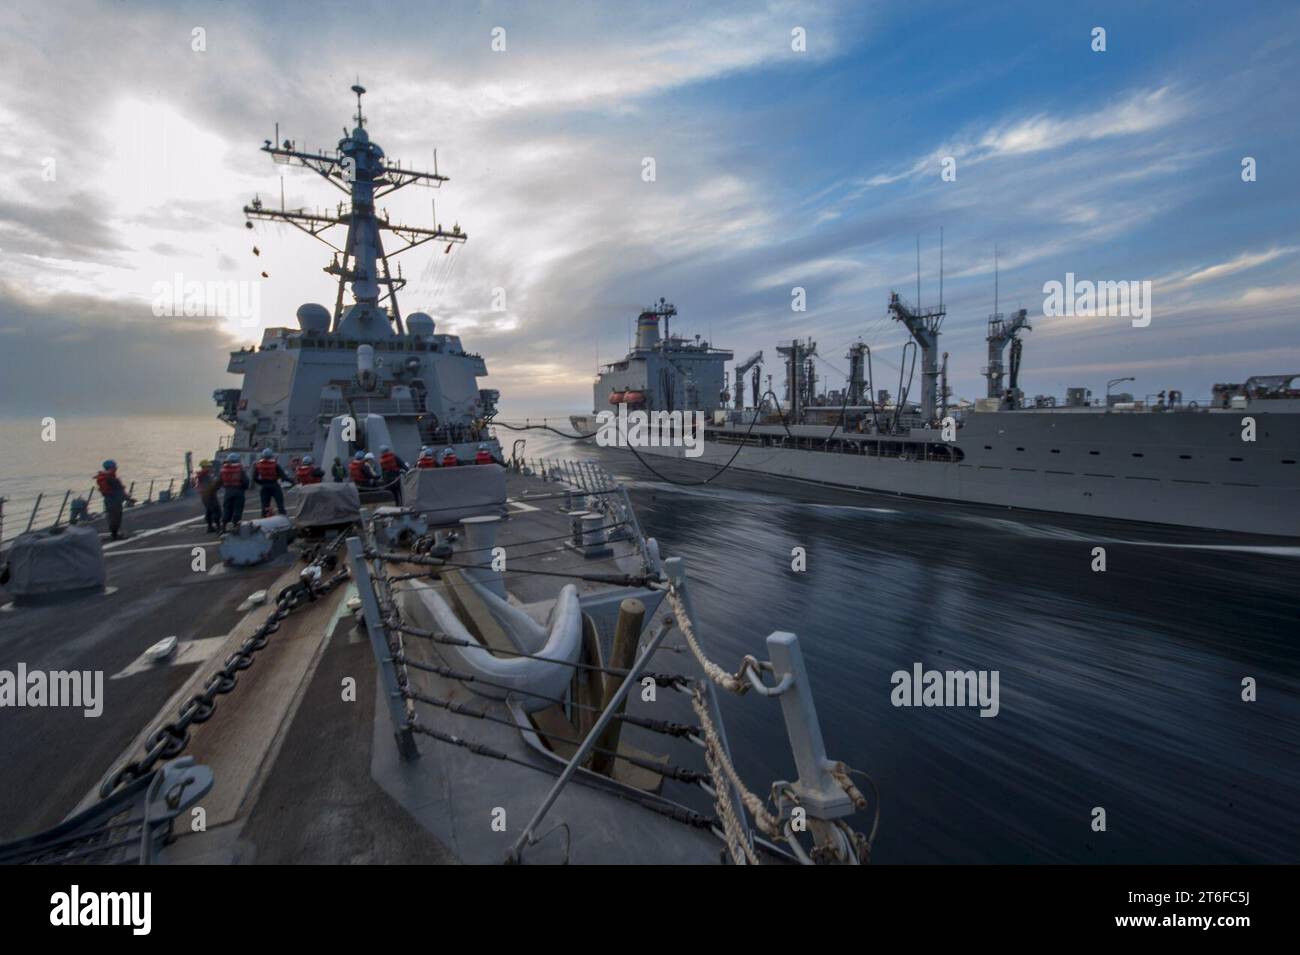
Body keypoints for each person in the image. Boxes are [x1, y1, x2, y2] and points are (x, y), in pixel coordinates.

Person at [94, 459, 135, 541]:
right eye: (115, 467)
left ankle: (114, 534)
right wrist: (129, 499)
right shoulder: (112, 479)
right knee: (116, 517)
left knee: (111, 517)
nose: (116, 468)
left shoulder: (103, 477)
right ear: (112, 467)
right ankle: (115, 535)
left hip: (107, 500)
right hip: (114, 501)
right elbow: (119, 492)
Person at [253, 448, 292, 516]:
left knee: (265, 507)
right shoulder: (275, 465)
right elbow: (284, 477)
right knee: (280, 505)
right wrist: (293, 482)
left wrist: (262, 483)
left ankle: (264, 521)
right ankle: (283, 519)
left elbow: (255, 478)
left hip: (264, 487)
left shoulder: (258, 465)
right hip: (274, 486)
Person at [219, 453, 249, 533]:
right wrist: (244, 488)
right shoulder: (240, 470)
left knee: (227, 509)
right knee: (237, 509)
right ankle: (236, 526)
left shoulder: (223, 470)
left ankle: (223, 526)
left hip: (228, 492)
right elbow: (245, 482)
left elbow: (221, 482)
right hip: (238, 492)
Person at [193, 459, 222, 532]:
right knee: (217, 511)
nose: (210, 468)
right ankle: (218, 526)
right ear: (204, 467)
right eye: (208, 466)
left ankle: (210, 527)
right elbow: (210, 486)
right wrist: (218, 484)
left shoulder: (201, 475)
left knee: (209, 511)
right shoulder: (206, 476)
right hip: (210, 496)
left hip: (205, 496)